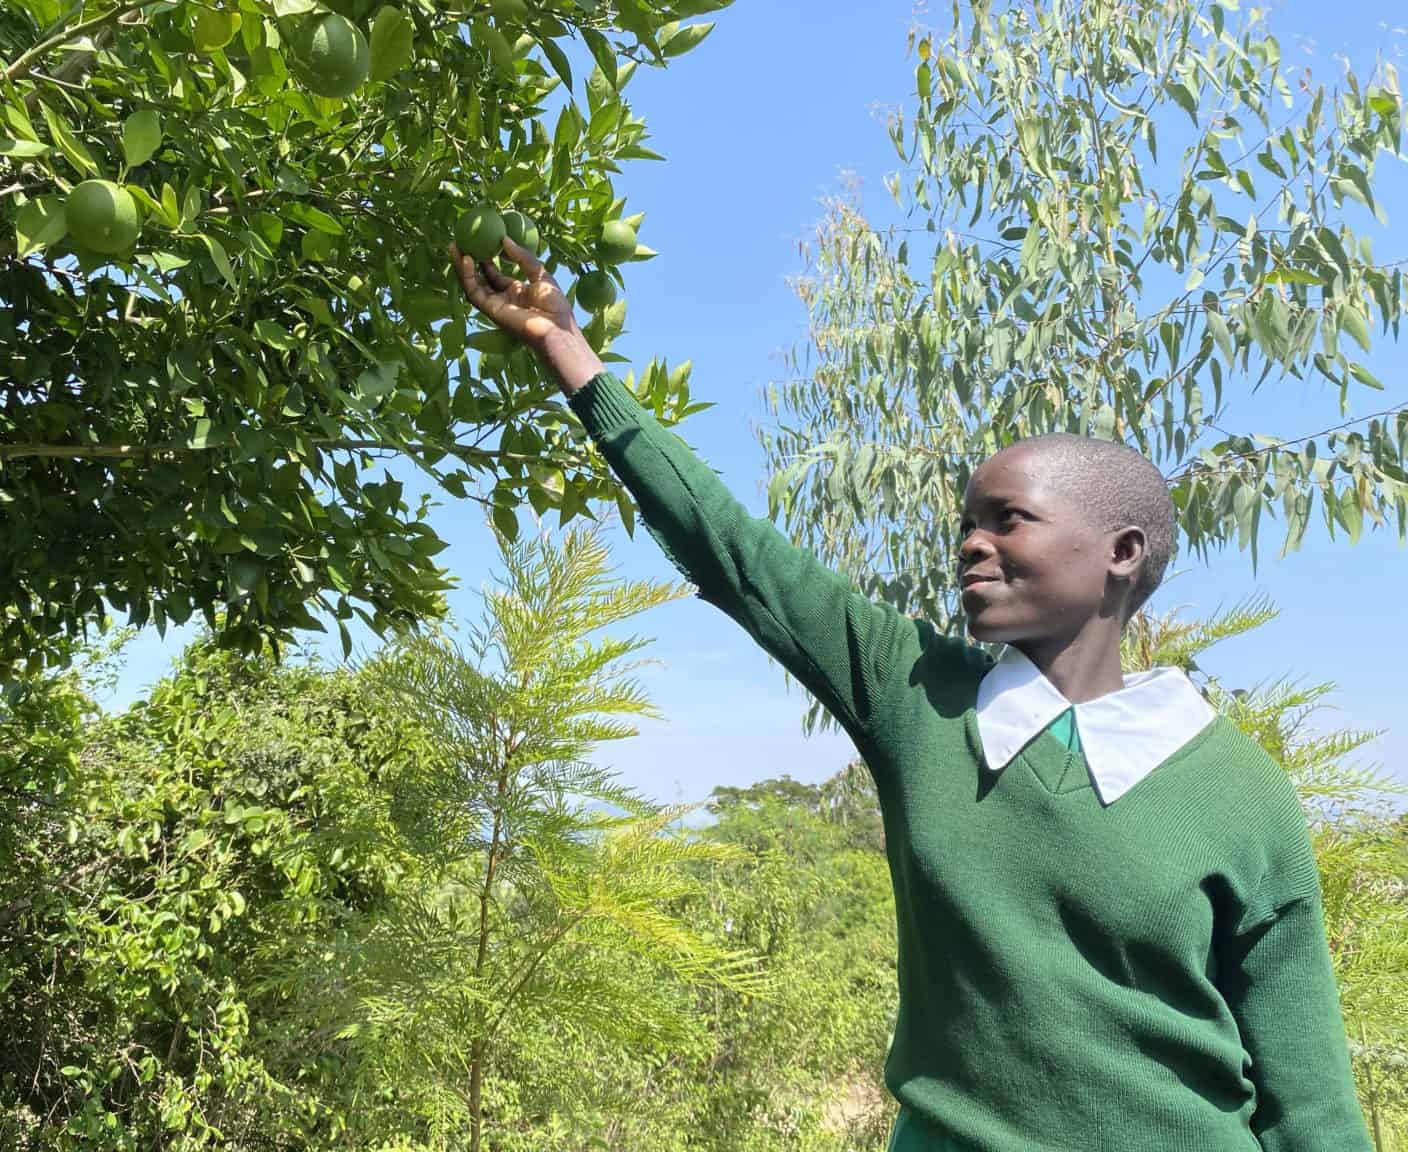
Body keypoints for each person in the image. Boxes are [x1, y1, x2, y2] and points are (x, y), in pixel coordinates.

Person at [449, 235, 1373, 1152]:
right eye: (968, 523)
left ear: (1122, 554)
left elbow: (1311, 1100)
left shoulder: (1240, 793)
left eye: (1007, 519)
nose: (972, 543)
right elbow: (735, 555)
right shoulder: (921, 699)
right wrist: (567, 349)